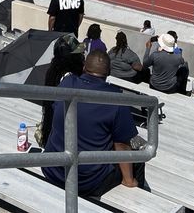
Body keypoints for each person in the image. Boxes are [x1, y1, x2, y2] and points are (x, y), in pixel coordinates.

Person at [42, 51, 147, 197]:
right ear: (108, 72)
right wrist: (128, 180)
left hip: (51, 168)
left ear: (84, 67)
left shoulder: (67, 82)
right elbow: (121, 145)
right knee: (139, 158)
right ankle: (136, 199)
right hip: (86, 182)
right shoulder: (116, 99)